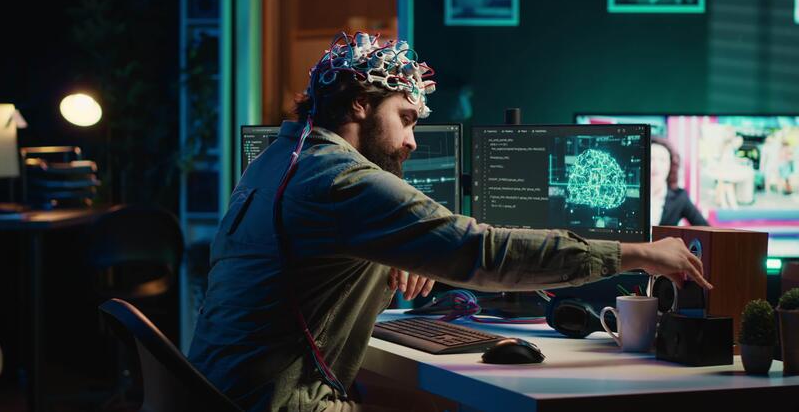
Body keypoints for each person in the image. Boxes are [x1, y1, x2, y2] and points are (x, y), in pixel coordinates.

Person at [188, 32, 711, 412]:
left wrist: (386, 256)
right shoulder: (341, 180)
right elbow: (482, 253)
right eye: (407, 118)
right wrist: (638, 252)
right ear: (360, 104)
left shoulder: (277, 163)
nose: (413, 141)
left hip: (221, 393)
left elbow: (302, 266)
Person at [650, 136, 708, 226]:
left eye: (662, 160)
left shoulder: (680, 197)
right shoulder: (629, 195)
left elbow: (706, 229)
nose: (656, 166)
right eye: (651, 159)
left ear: (671, 165)